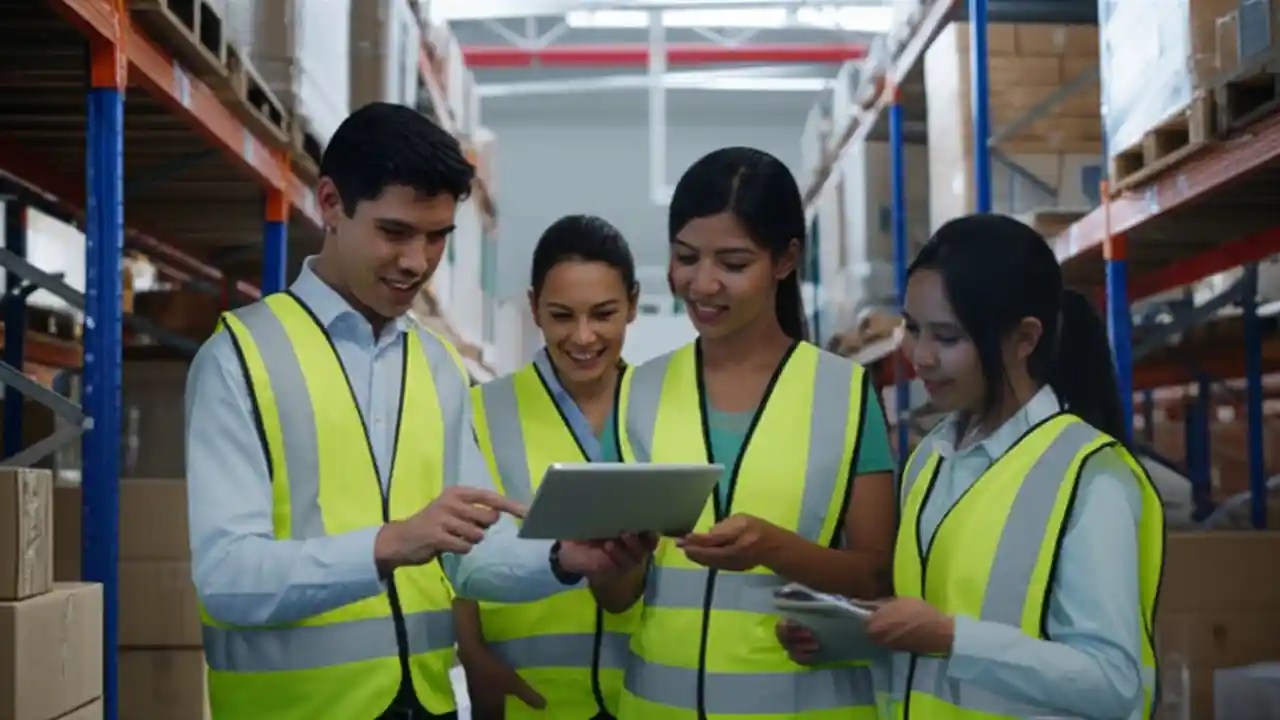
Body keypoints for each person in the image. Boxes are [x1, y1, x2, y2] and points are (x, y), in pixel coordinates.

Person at [184, 102, 622, 720]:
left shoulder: (437, 365)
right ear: (331, 203)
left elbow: (470, 557)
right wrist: (390, 543)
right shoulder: (239, 357)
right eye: (395, 232)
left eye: (437, 236)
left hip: (428, 708)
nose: (418, 261)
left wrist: (561, 558)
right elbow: (227, 577)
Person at [778, 214, 1165, 719]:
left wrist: (951, 637)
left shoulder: (1091, 479)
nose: (920, 356)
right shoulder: (929, 460)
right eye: (913, 329)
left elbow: (1117, 686)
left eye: (947, 337)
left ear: (1024, 339)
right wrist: (853, 635)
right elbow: (939, 639)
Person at [590, 146, 898, 719]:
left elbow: (876, 573)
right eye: (686, 257)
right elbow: (616, 596)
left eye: (733, 264)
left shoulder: (846, 393)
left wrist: (775, 549)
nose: (702, 285)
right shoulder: (637, 392)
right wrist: (616, 559)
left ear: (785, 261)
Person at [456, 215, 644, 719]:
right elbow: (450, 552)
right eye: (562, 315)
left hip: (645, 697)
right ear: (535, 306)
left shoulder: (667, 404)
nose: (583, 337)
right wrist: (474, 660)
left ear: (633, 304)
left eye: (603, 314)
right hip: (526, 696)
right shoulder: (481, 412)